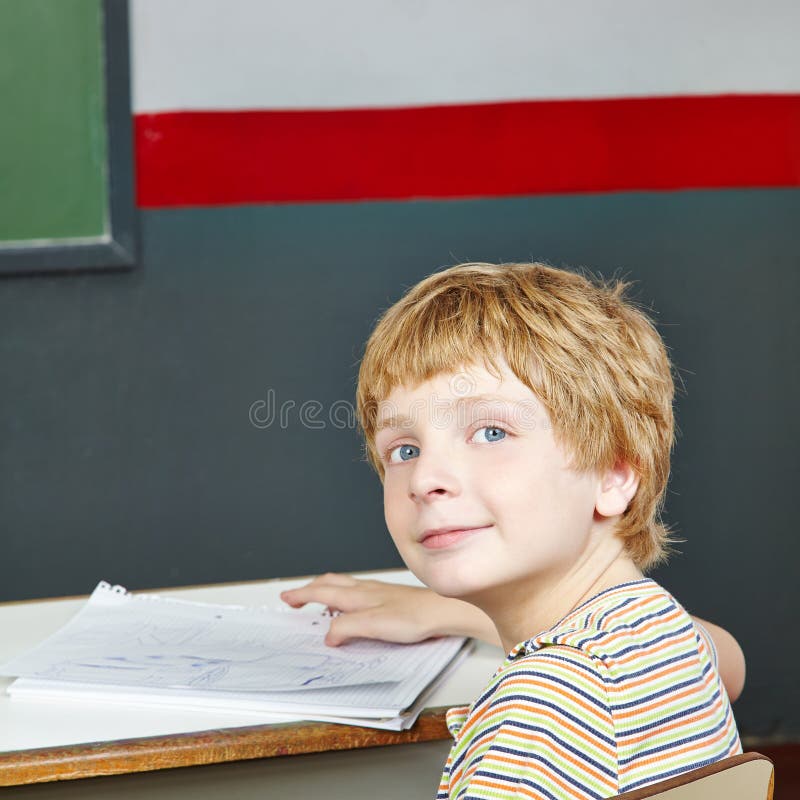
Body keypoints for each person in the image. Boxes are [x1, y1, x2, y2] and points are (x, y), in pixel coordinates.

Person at [282, 262, 744, 798]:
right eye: (404, 450)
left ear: (614, 474)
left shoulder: (541, 716)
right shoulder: (668, 631)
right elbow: (728, 659)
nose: (424, 478)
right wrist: (445, 612)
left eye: (491, 431)